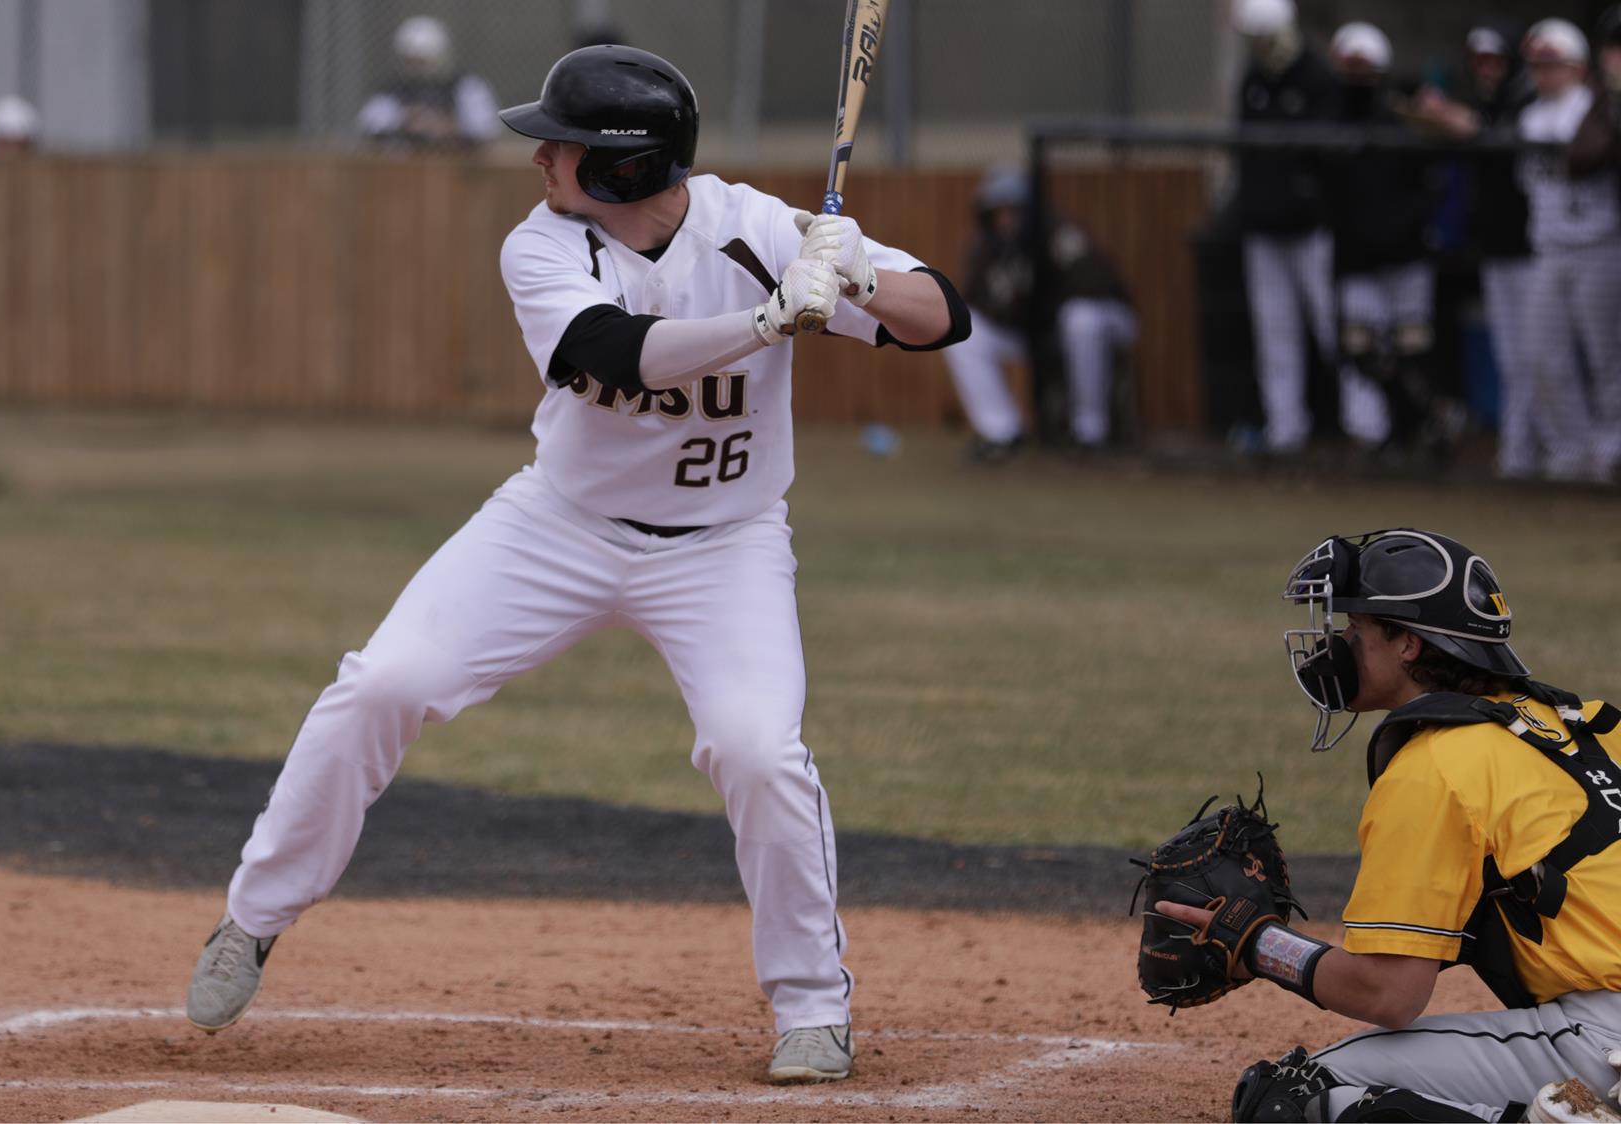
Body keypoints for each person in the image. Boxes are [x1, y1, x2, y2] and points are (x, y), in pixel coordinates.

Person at [185, 44, 969, 1085]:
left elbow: (941, 319)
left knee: (755, 749)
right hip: (557, 527)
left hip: (722, 549)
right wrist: (768, 318)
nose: (540, 160)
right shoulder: (541, 247)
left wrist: (858, 270)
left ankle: (812, 1007)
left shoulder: (762, 229)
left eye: (562, 147)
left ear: (623, 168)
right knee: (384, 681)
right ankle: (253, 915)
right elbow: (612, 353)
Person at [1157, 528, 1621, 1121]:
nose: (1339, 646)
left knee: (1293, 1095)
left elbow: (1388, 994)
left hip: (1603, 1038)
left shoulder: (1435, 766)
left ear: (1407, 642)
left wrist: (1258, 943)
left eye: (1355, 629)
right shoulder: (1588, 724)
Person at [1231, 0, 1381, 456]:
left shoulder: (1316, 77)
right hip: (1263, 229)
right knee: (1275, 333)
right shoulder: (1252, 79)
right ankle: (1285, 429)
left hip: (1311, 230)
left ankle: (1367, 426)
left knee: (1333, 327)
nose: (1260, 48)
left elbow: (1329, 158)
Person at [1408, 25, 1539, 478]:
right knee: (1512, 356)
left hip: (1534, 251)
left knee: (1539, 356)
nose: (1486, 69)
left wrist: (1452, 118)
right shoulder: (1489, 102)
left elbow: (1492, 132)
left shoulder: (1525, 101)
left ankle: (1556, 453)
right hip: (1497, 249)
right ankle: (1521, 453)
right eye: (1478, 61)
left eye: (1493, 61)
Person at [941, 166, 1136, 456]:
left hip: (1105, 320)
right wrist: (1015, 304)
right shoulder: (987, 250)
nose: (1007, 220)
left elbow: (1099, 281)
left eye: (1014, 211)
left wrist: (1045, 299)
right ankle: (1002, 432)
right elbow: (976, 300)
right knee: (962, 332)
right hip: (1033, 332)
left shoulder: (1057, 233)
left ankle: (1090, 432)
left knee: (1080, 319)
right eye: (999, 212)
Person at [1518, 19, 1621, 483]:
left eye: (1554, 64)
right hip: (1548, 248)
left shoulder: (1597, 107)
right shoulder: (1529, 114)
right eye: (1538, 65)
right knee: (1544, 354)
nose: (1545, 74)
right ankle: (1571, 452)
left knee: (1607, 357)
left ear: (1578, 66)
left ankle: (1610, 450)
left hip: (1598, 245)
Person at [1325, 23, 1430, 457]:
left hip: (1404, 257)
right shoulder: (1329, 119)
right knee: (1361, 352)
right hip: (1357, 260)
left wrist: (1403, 235)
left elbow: (1425, 191)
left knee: (1410, 350)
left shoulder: (1403, 121)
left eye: (1365, 68)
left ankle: (1419, 429)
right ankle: (1375, 433)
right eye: (1349, 67)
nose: (1357, 77)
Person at [355, 15, 499, 151]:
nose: (417, 68)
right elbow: (369, 124)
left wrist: (447, 126)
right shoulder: (395, 89)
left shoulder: (465, 85)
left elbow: (486, 128)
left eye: (423, 62)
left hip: (458, 162)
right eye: (411, 61)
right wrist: (405, 121)